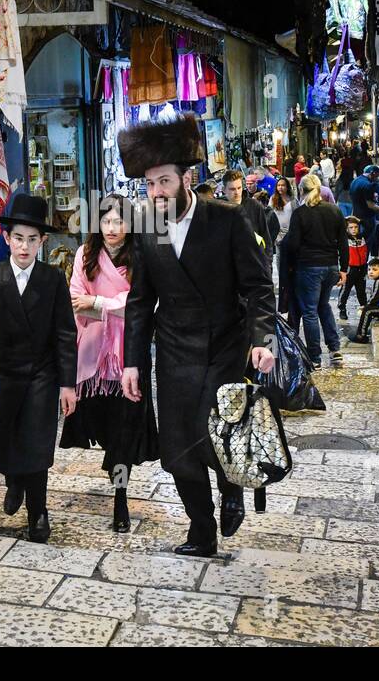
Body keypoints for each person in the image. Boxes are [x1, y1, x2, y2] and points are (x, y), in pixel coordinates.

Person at [118, 114, 276, 558]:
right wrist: (132, 361)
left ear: (186, 177)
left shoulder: (226, 221)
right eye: (149, 185)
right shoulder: (147, 227)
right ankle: (201, 528)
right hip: (172, 351)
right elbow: (138, 300)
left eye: (164, 181)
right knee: (177, 450)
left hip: (223, 347)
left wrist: (261, 339)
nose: (156, 193)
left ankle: (231, 487)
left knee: (216, 435)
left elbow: (259, 287)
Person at [0, 193, 78, 544]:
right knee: (3, 442)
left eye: (32, 239)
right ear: (6, 238)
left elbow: (66, 334)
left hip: (41, 375)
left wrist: (68, 384)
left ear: (42, 241)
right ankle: (13, 480)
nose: (24, 246)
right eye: (18, 238)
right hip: (3, 375)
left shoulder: (52, 280)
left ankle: (39, 513)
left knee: (36, 446)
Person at [60, 195, 160, 533]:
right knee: (103, 426)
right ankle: (114, 465)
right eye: (105, 221)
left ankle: (121, 496)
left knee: (125, 428)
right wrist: (114, 307)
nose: (112, 228)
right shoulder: (85, 255)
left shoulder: (142, 256)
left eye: (119, 221)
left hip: (129, 357)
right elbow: (76, 300)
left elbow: (142, 304)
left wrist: (99, 301)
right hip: (93, 359)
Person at [285, 174, 348, 368]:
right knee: (323, 305)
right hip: (330, 268)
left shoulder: (300, 214)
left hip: (309, 268)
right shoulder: (334, 211)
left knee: (310, 312)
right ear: (320, 190)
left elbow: (293, 245)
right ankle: (335, 349)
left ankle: (315, 357)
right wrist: (344, 269)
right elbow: (344, 244)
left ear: (301, 191)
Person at [224, 168, 273, 258]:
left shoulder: (254, 206)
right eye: (232, 189)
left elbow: (266, 237)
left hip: (252, 262)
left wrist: (267, 266)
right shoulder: (220, 208)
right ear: (224, 190)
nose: (237, 192)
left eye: (239, 188)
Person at [272, 178, 300, 332]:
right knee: (280, 265)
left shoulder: (293, 201)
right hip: (279, 238)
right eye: (279, 185)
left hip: (291, 238)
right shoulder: (273, 200)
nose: (281, 187)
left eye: (283, 185)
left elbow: (297, 219)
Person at [351, 164, 379, 245]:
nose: (377, 178)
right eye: (377, 176)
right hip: (367, 218)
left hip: (356, 215)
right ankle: (365, 256)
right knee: (367, 242)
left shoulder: (355, 181)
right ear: (372, 173)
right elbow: (371, 205)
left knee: (358, 240)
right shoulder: (367, 185)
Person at [337, 214, 368, 320]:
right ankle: (342, 309)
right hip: (350, 269)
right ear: (346, 228)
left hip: (362, 268)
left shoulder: (363, 237)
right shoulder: (344, 239)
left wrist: (359, 220)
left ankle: (364, 309)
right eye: (351, 227)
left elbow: (369, 226)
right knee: (345, 290)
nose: (354, 230)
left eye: (356, 227)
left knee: (361, 291)